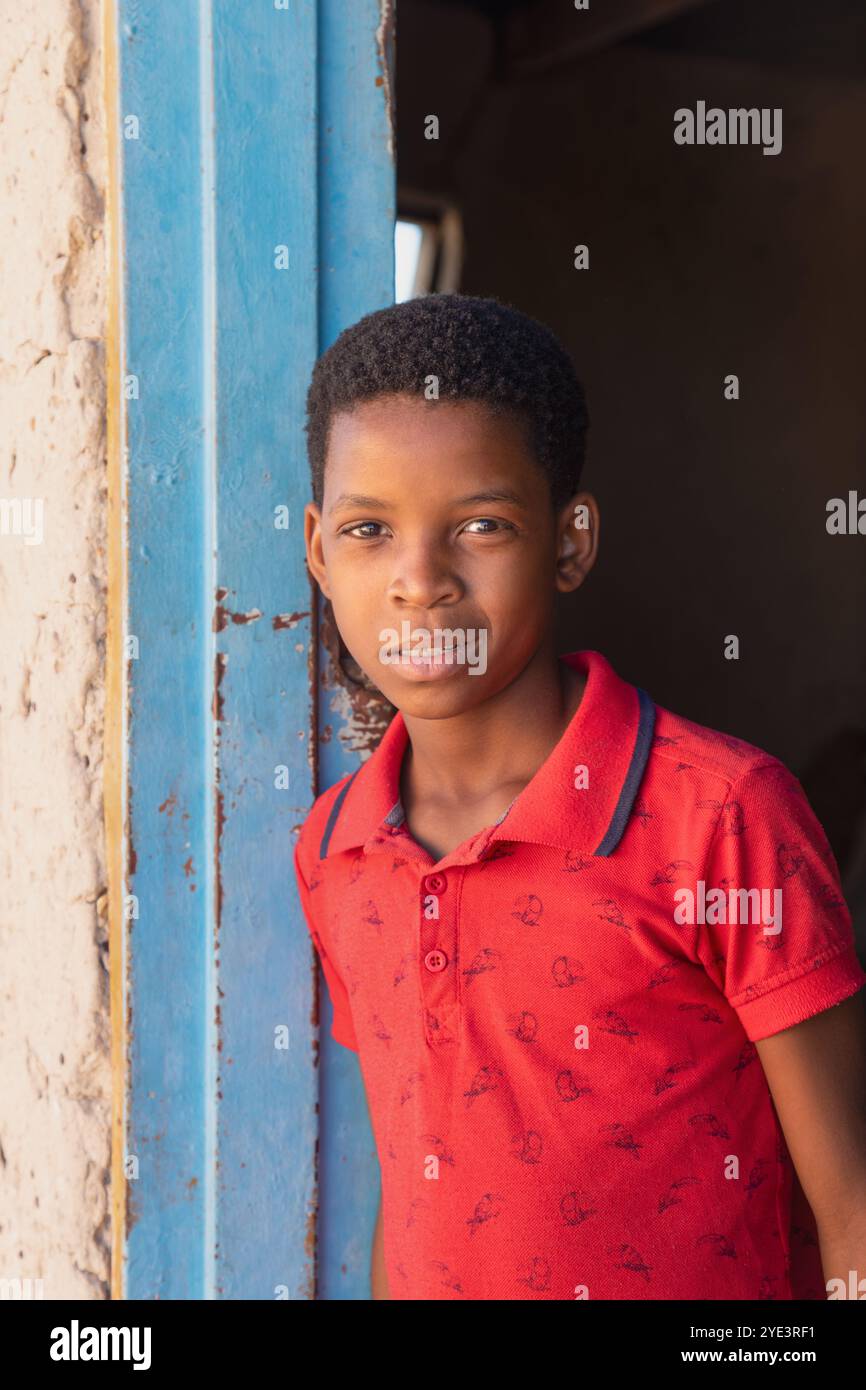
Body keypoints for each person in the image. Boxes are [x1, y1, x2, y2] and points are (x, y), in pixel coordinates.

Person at [293, 292, 866, 1301]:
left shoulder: (719, 818)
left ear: (568, 540)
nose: (417, 581)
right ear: (317, 553)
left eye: (480, 523)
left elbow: (849, 1197)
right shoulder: (337, 852)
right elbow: (418, 1176)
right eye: (369, 529)